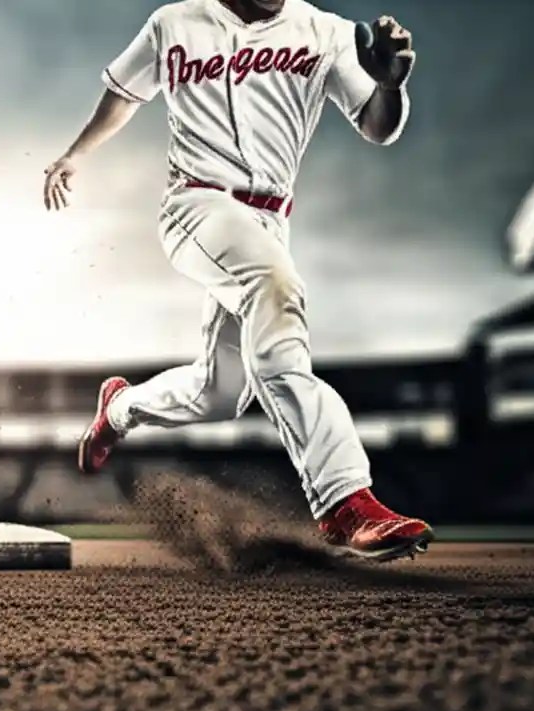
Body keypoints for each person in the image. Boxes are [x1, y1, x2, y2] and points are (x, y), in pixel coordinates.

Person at [44, 0, 433, 561]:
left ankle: (120, 409)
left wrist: (390, 86)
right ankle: (344, 498)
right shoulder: (173, 23)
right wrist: (75, 155)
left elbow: (378, 127)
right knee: (275, 288)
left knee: (220, 392)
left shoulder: (325, 30)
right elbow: (125, 93)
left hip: (270, 222)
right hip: (196, 205)